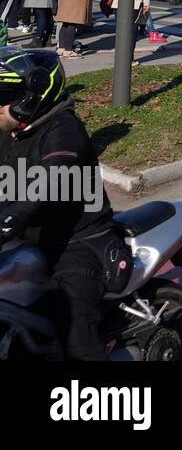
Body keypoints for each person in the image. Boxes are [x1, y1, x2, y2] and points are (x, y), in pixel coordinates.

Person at [0, 48, 123, 360]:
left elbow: (50, 179)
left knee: (75, 337)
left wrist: (9, 219)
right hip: (27, 239)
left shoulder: (63, 131)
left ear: (30, 96)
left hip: (77, 244)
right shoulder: (9, 131)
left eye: (4, 95)